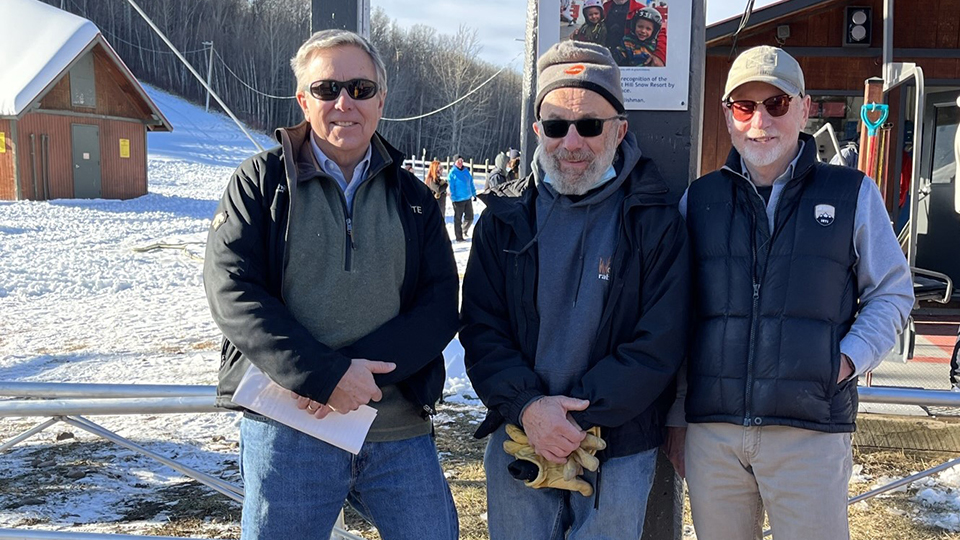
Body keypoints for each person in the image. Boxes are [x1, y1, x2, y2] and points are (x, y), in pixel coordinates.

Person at [203, 29, 459, 540]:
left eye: (361, 89)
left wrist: (356, 377)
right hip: (289, 427)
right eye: (326, 89)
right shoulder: (261, 182)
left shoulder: (414, 197)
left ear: (381, 100)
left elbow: (439, 304)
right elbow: (232, 289)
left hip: (397, 426)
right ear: (303, 99)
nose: (345, 102)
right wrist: (324, 375)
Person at [666, 45, 914, 540]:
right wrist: (678, 417)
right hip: (714, 435)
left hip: (810, 432)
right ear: (728, 116)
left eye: (776, 103)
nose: (761, 120)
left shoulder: (852, 193)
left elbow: (892, 293)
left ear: (803, 107)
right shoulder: (700, 199)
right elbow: (679, 314)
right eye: (745, 106)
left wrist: (843, 362)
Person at [460, 40, 690, 540]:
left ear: (620, 128)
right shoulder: (504, 219)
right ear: (538, 130)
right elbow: (481, 329)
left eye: (589, 124)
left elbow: (661, 341)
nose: (572, 142)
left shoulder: (655, 221)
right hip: (520, 434)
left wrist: (573, 416)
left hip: (618, 442)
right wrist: (530, 409)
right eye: (557, 126)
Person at [448, 154, 476, 241]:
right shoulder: (452, 172)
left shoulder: (466, 171)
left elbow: (471, 183)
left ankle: (464, 230)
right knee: (458, 219)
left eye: (461, 161)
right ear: (455, 162)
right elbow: (450, 185)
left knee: (470, 217)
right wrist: (452, 196)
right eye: (458, 161)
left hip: (467, 197)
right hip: (457, 199)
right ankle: (459, 237)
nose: (460, 163)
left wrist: (474, 194)